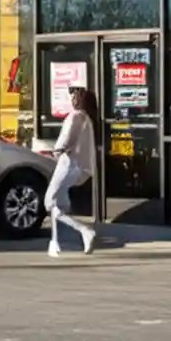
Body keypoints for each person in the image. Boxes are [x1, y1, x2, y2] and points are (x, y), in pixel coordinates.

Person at [45, 86, 98, 257]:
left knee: (50, 202)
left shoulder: (77, 117)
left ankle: (84, 230)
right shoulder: (88, 119)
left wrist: (55, 150)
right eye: (72, 96)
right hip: (78, 167)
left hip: (69, 165)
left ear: (82, 99)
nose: (73, 100)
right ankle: (56, 242)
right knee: (59, 205)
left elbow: (67, 140)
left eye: (76, 96)